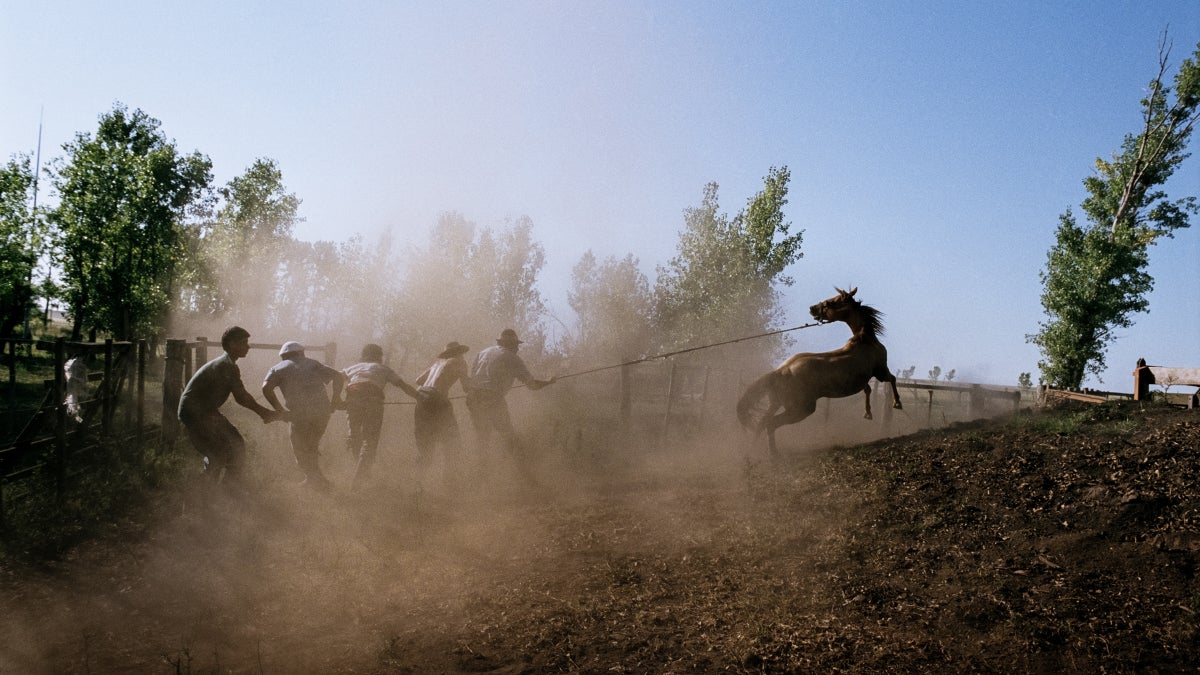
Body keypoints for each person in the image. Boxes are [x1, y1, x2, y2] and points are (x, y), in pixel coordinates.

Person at [177, 326, 283, 491]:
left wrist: (266, 413)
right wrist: (265, 413)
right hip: (196, 412)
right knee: (223, 452)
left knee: (231, 447)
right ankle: (207, 493)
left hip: (205, 411)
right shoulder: (227, 366)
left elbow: (241, 397)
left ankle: (222, 491)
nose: (248, 346)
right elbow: (241, 397)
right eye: (244, 343)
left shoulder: (227, 364)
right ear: (232, 344)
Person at [465, 329, 556, 465]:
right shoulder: (512, 357)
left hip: (473, 398)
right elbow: (532, 385)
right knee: (508, 435)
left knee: (483, 438)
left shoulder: (482, 353)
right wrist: (549, 382)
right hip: (492, 397)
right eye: (516, 345)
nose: (518, 348)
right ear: (512, 344)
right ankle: (524, 471)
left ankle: (480, 474)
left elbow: (471, 380)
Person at [262, 341, 344, 492]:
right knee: (311, 445)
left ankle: (318, 483)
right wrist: (336, 399)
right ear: (301, 353)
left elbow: (265, 387)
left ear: (283, 356)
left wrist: (279, 410)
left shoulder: (277, 368)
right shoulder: (313, 364)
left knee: (300, 448)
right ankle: (315, 481)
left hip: (299, 414)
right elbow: (338, 376)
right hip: (322, 412)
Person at [339, 343, 422, 487]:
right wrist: (420, 397)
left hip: (352, 399)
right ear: (379, 357)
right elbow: (402, 385)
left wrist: (336, 398)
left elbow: (336, 377)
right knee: (369, 442)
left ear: (363, 356)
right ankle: (360, 477)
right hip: (373, 400)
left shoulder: (352, 368)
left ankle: (362, 471)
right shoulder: (383, 368)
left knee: (354, 436)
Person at [413, 341, 470, 474]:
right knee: (452, 441)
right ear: (460, 352)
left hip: (421, 398)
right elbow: (466, 387)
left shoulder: (437, 364)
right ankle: (451, 481)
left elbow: (418, 381)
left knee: (425, 444)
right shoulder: (459, 362)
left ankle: (417, 484)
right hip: (438, 399)